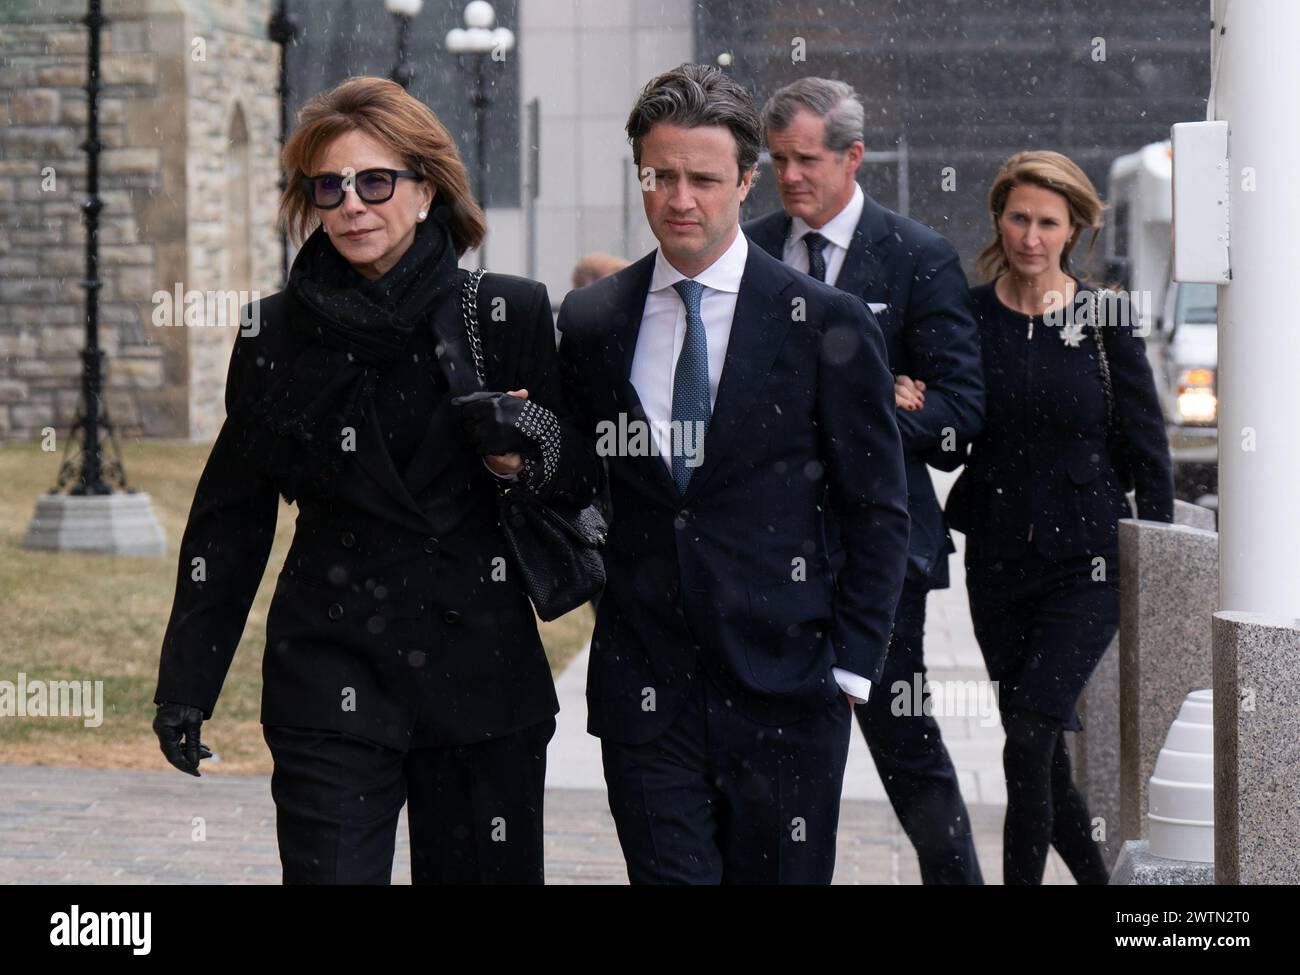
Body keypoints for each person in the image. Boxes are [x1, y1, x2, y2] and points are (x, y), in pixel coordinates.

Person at [151, 76, 600, 884]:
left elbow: (578, 478)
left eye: (376, 181)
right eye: (331, 186)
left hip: (481, 673)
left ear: (426, 192)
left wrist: (525, 442)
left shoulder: (507, 311)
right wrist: (187, 680)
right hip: (331, 668)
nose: (353, 204)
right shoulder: (274, 331)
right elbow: (232, 516)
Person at [557, 64, 910, 884]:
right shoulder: (592, 320)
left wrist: (851, 670)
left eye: (705, 179)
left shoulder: (826, 320)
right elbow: (578, 481)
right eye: (662, 176)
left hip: (790, 695)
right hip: (646, 694)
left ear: (746, 181)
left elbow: (879, 506)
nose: (681, 198)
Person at [745, 77, 985, 885]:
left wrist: (859, 414)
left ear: (853, 156)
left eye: (806, 159)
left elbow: (958, 417)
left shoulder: (917, 256)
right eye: (777, 160)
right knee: (777, 753)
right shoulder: (751, 246)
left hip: (879, 553)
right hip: (767, 546)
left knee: (904, 746)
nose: (789, 176)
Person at [943, 150, 1174, 884]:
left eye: (1048, 222)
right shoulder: (969, 316)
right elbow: (952, 434)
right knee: (1032, 745)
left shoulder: (1104, 316)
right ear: (998, 218)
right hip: (999, 561)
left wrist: (1158, 551)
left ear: (1073, 227)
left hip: (1088, 564)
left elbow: (1147, 442)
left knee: (1032, 732)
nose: (1030, 237)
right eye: (1018, 218)